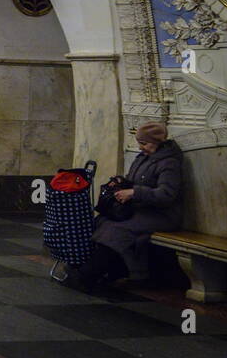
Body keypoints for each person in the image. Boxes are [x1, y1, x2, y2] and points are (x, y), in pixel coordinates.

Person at [77, 123, 184, 290]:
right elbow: (133, 181)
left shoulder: (169, 163)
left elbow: (166, 195)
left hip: (162, 215)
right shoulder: (143, 158)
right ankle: (106, 272)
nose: (141, 147)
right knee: (103, 221)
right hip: (142, 210)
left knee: (118, 230)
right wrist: (121, 182)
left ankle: (89, 275)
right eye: (139, 142)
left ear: (157, 142)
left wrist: (135, 193)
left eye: (144, 143)